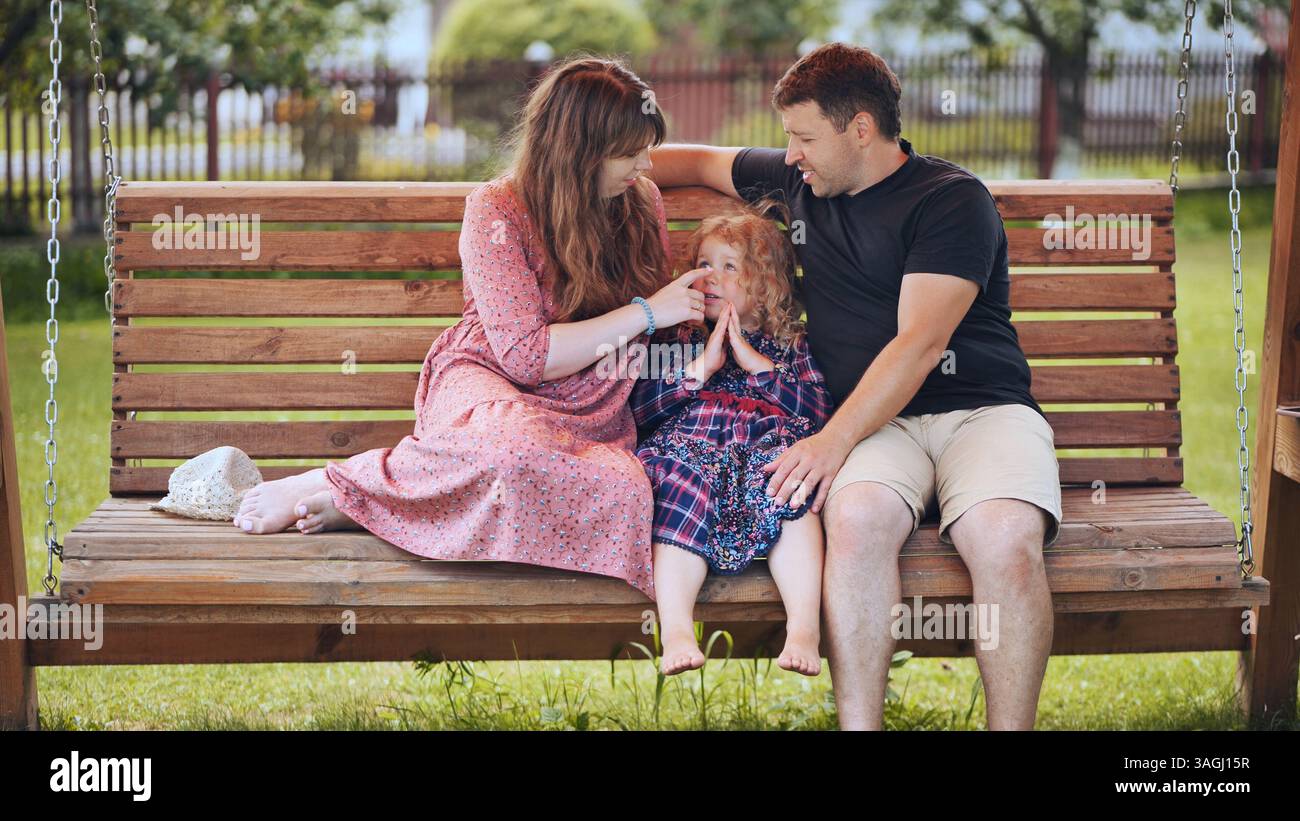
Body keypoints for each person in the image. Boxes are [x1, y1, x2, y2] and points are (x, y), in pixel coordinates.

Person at [648, 42, 1062, 729]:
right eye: (789, 137)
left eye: (805, 137)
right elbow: (690, 161)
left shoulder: (950, 200)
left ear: (861, 129)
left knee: (1004, 537)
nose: (791, 153)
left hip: (981, 412)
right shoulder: (797, 183)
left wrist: (828, 443)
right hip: (876, 425)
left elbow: (919, 346)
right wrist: (574, 175)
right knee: (857, 520)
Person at [233, 57, 712, 599]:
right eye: (629, 153)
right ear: (579, 153)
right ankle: (340, 485)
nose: (645, 165)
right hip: (491, 377)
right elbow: (527, 357)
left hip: (595, 391)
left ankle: (377, 507)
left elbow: (664, 324)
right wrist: (649, 312)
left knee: (624, 487)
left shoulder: (639, 202)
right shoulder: (497, 209)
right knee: (507, 451)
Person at [630, 210, 833, 676]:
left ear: (766, 284)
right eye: (704, 264)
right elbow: (638, 411)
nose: (711, 278)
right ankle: (677, 629)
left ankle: (804, 627)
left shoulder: (791, 344)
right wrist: (701, 367)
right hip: (690, 453)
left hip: (766, 457)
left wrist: (758, 365)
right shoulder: (677, 340)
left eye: (729, 266)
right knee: (679, 493)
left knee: (792, 494)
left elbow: (819, 412)